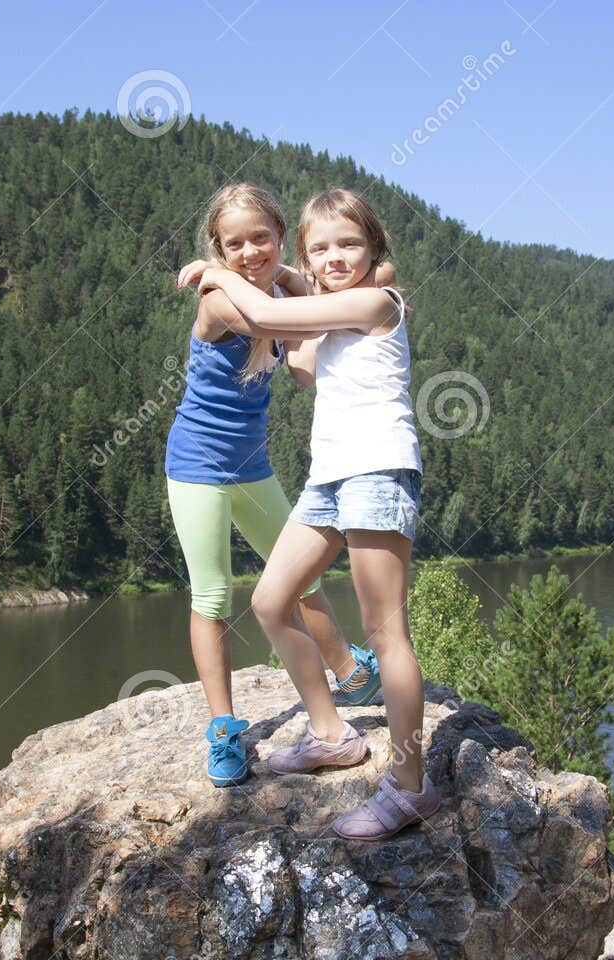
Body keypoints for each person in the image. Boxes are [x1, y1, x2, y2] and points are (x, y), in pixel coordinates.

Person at [194, 188, 437, 840]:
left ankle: (410, 786)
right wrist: (288, 285)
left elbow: (267, 315)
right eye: (322, 247)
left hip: (378, 471)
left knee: (386, 634)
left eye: (350, 244)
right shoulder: (326, 317)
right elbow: (297, 357)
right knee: (274, 599)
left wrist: (222, 272)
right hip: (328, 481)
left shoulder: (377, 303)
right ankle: (331, 733)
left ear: (375, 248)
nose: (336, 257)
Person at [165, 183, 381, 789]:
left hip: (252, 467)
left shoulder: (280, 285)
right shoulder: (218, 299)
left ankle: (346, 668)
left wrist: (287, 272)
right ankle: (226, 730)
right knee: (212, 597)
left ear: (280, 238)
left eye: (261, 238)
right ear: (218, 250)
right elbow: (262, 315)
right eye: (233, 244)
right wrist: (218, 271)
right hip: (196, 467)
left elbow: (305, 346)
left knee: (300, 577)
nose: (249, 251)